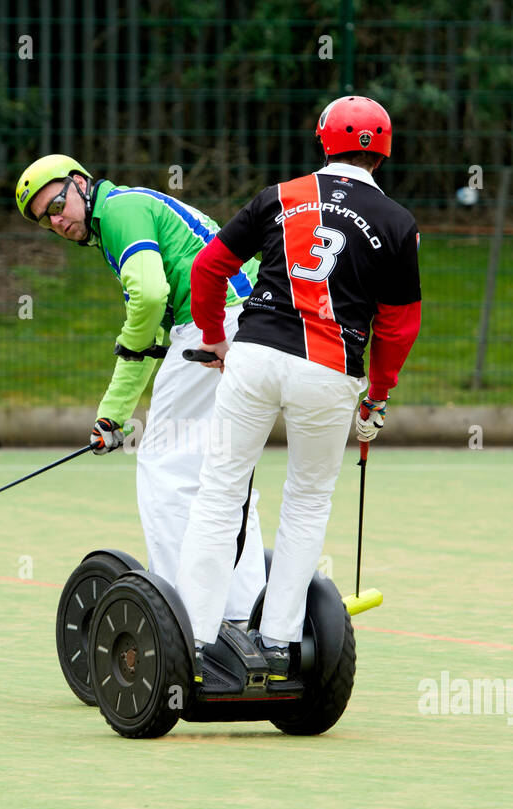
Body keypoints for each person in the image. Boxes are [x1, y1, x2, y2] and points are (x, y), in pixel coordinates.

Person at [175, 95, 422, 679]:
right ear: (382, 155)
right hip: (330, 373)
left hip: (256, 354)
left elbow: (207, 269)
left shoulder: (278, 197)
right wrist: (378, 397)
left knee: (220, 493)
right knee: (306, 502)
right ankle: (281, 644)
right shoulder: (397, 222)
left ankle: (197, 639)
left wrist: (214, 340)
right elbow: (399, 325)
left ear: (322, 141)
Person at [13, 154, 267, 622]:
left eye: (56, 205)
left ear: (79, 182)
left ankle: (183, 616)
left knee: (164, 465)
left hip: (212, 327)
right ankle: (248, 612)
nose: (56, 222)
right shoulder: (131, 210)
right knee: (225, 475)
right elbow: (147, 337)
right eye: (45, 221)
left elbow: (150, 298)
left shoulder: (119, 212)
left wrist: (117, 405)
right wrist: (112, 416)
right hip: (255, 324)